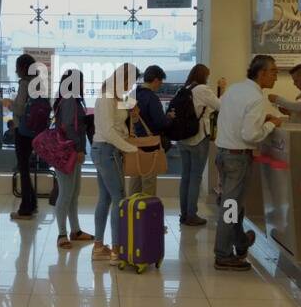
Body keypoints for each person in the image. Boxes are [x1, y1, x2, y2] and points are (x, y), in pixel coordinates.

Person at [213, 55, 282, 272]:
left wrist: (263, 119)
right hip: (238, 158)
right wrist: (272, 125)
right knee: (231, 208)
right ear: (261, 73)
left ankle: (241, 242)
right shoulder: (255, 98)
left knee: (234, 205)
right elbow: (250, 134)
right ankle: (223, 255)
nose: (276, 76)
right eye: (274, 72)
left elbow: (232, 118)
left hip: (223, 154)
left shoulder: (234, 89)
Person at [92, 63, 140, 263]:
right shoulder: (106, 99)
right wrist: (131, 148)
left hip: (106, 151)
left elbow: (128, 111)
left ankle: (99, 246)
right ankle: (116, 250)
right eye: (130, 81)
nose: (131, 86)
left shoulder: (116, 97)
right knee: (119, 197)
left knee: (105, 198)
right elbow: (109, 131)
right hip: (107, 151)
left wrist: (132, 111)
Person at [177, 64, 225, 226]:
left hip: (182, 138)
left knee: (185, 177)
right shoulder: (203, 89)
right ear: (204, 76)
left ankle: (184, 213)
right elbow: (221, 106)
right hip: (198, 138)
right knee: (195, 177)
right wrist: (222, 89)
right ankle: (192, 214)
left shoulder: (184, 89)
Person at [52, 69, 94, 249]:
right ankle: (62, 234)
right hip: (68, 152)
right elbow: (68, 126)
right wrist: (79, 149)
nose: (84, 86)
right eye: (82, 82)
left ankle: (75, 230)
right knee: (66, 194)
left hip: (71, 152)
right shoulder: (69, 100)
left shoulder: (70, 99)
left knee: (73, 193)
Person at [127, 65, 175, 197]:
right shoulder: (152, 98)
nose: (160, 85)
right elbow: (160, 123)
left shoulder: (132, 94)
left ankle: (132, 211)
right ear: (155, 80)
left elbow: (126, 117)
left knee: (135, 180)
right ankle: (146, 214)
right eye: (160, 82)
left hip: (134, 142)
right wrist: (169, 118)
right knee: (148, 181)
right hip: (149, 144)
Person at [10, 53, 40, 220]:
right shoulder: (38, 83)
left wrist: (9, 104)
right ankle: (32, 203)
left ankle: (26, 208)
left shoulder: (24, 84)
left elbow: (20, 109)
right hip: (34, 131)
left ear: (22, 68)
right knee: (27, 168)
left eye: (17, 67)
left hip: (23, 132)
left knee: (23, 169)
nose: (16, 71)